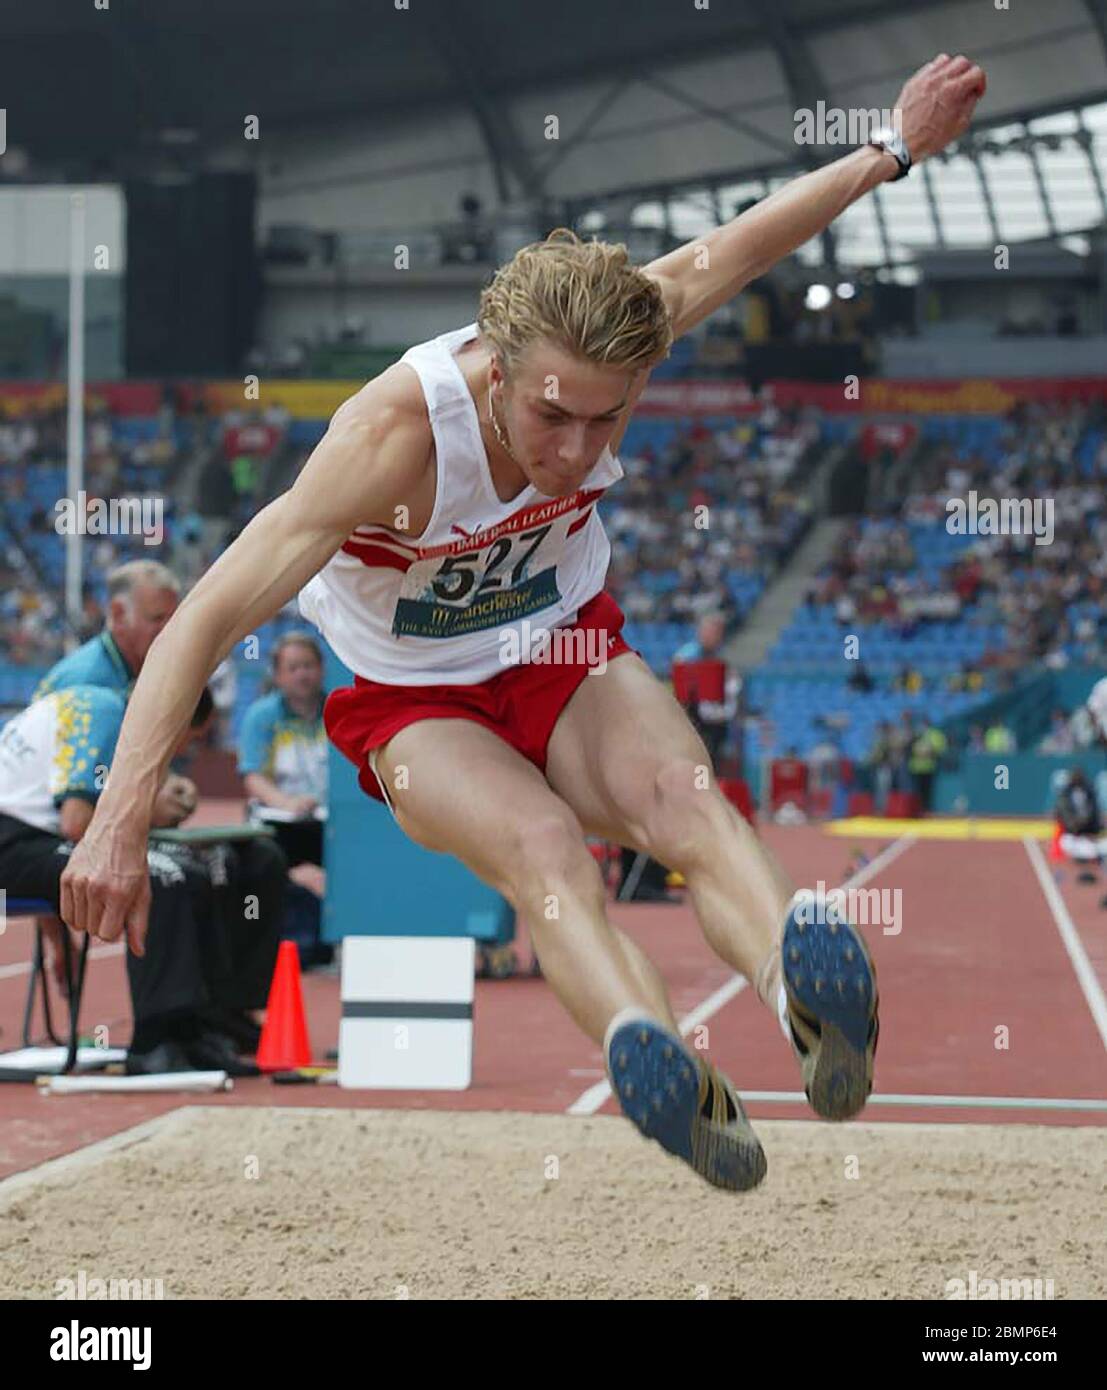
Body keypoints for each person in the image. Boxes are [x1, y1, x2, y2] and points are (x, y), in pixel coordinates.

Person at [58, 53, 985, 1193]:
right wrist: (113, 819)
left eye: (610, 419)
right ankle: (656, 1056)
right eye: (553, 416)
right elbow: (203, 617)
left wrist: (891, 150)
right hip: (409, 698)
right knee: (544, 852)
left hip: (564, 642)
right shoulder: (390, 438)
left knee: (685, 802)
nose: (579, 451)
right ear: (497, 374)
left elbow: (741, 244)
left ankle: (801, 993)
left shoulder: (618, 339)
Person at [0, 686, 282, 1074]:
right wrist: (150, 810)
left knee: (199, 872)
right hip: (11, 842)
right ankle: (154, 1042)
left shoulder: (116, 714)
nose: (182, 752)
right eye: (187, 739)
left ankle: (198, 1026)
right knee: (158, 875)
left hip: (33, 836)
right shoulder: (104, 714)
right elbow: (76, 822)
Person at [238, 632, 332, 967]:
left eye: (308, 665)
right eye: (293, 668)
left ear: (321, 669)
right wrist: (286, 802)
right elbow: (252, 775)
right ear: (278, 675)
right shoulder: (262, 717)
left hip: (331, 823)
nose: (302, 674)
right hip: (280, 823)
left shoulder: (338, 709)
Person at [34, 560, 181, 703]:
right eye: (157, 619)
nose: (169, 630)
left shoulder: (142, 669)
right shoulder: (83, 685)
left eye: (174, 619)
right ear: (118, 614)